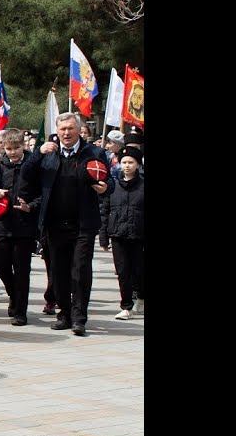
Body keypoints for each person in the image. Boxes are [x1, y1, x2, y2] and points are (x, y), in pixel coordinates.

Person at [21, 112, 114, 336]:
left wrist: (106, 187)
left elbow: (108, 180)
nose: (66, 133)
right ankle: (64, 314)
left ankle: (79, 317)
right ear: (57, 131)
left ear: (79, 129)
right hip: (54, 224)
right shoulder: (48, 154)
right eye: (62, 129)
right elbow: (26, 177)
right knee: (58, 272)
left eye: (70, 129)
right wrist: (36, 154)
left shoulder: (94, 152)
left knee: (80, 270)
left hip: (83, 224)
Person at [0, 129, 40, 325]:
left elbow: (42, 195)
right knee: (1, 265)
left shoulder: (33, 165)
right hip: (2, 224)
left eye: (16, 148)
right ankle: (13, 295)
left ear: (23, 146)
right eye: (8, 149)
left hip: (24, 226)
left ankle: (20, 311)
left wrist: (30, 206)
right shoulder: (0, 166)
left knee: (22, 269)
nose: (13, 152)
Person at [100, 147, 144, 319]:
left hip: (139, 235)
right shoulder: (113, 185)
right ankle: (126, 306)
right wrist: (104, 236)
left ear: (138, 164)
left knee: (139, 271)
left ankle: (141, 296)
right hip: (118, 234)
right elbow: (105, 211)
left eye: (130, 162)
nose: (127, 166)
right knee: (122, 271)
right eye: (124, 162)